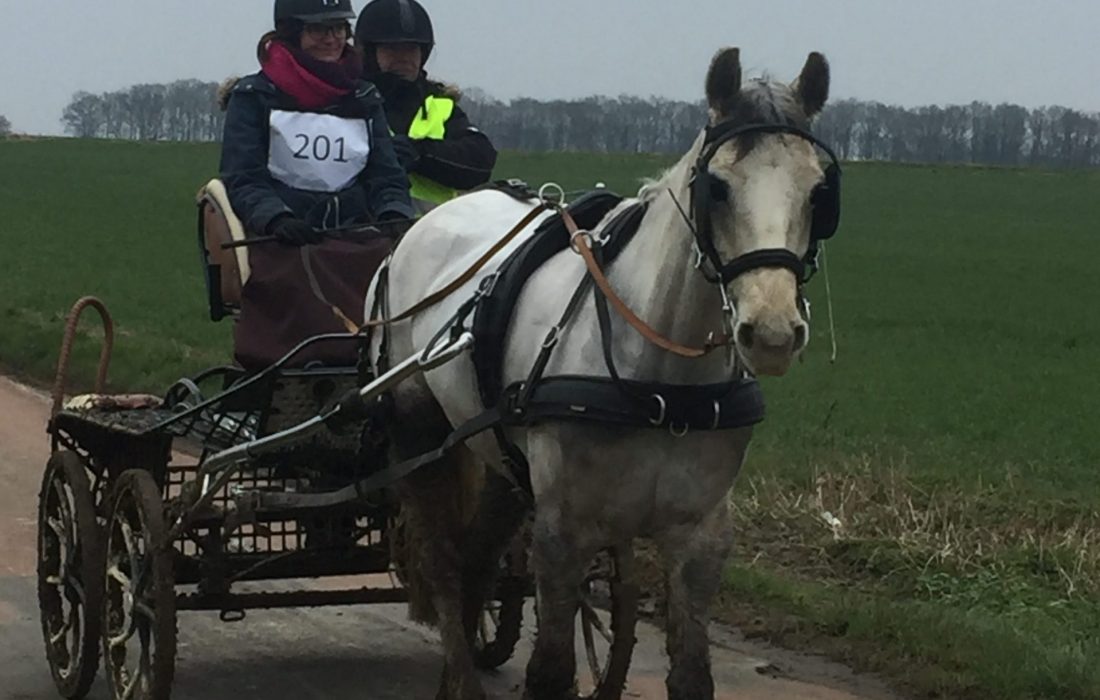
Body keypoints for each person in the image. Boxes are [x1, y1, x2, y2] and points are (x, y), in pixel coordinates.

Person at [219, 0, 416, 369]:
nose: (333, 39)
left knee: (396, 270)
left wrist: (395, 212)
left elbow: (386, 175)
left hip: (354, 231)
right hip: (285, 235)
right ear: (293, 34)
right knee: (296, 273)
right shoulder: (255, 97)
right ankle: (305, 369)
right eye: (319, 30)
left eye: (339, 28)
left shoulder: (363, 98)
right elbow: (243, 176)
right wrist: (275, 219)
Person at [355, 0, 497, 213]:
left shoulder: (439, 104)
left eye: (411, 48)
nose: (403, 58)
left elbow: (480, 159)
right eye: (392, 48)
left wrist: (420, 153)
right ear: (369, 53)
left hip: (436, 236)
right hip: (368, 232)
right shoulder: (350, 101)